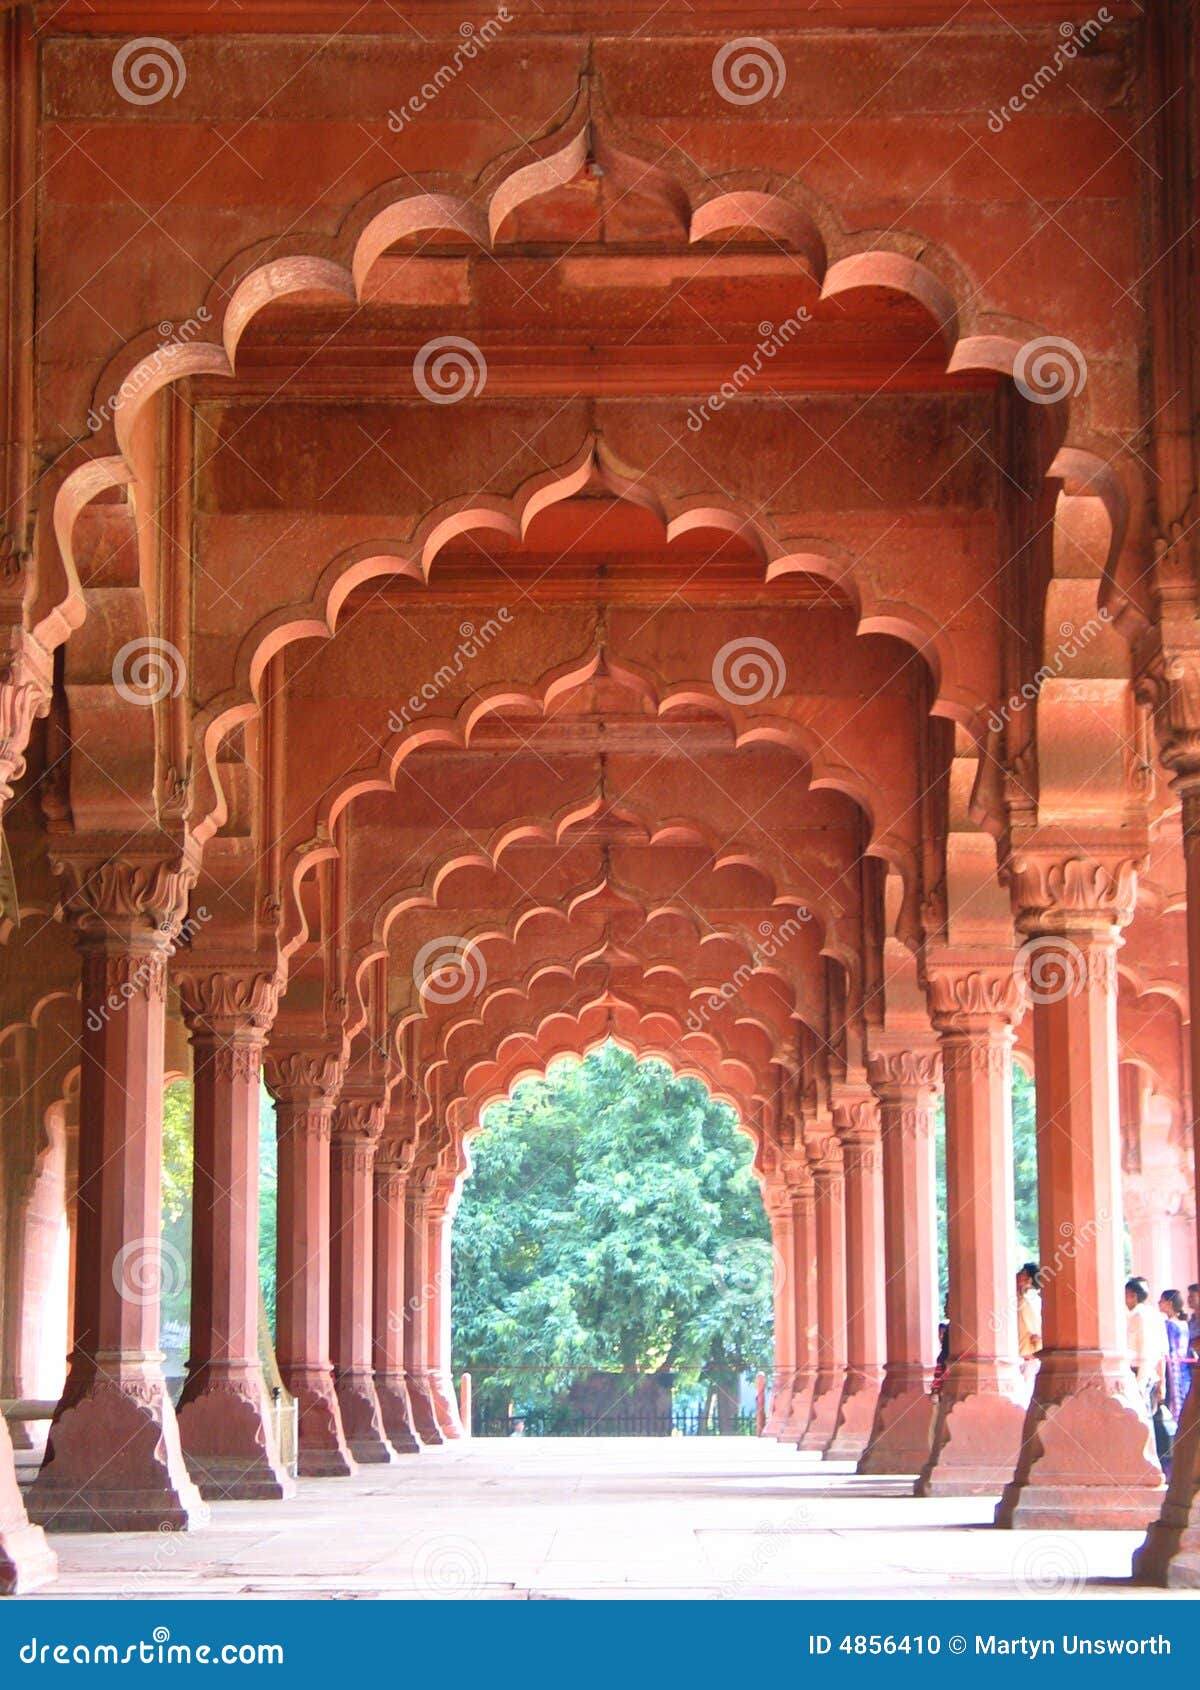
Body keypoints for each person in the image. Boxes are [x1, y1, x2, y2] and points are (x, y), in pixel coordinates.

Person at [1160, 1289, 1191, 1421]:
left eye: (1161, 1301)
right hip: (1184, 1371)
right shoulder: (1184, 1324)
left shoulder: (1169, 1325)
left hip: (1173, 1370)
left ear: (1169, 1303)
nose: (1159, 1304)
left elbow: (1170, 1351)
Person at [1016, 1262, 1042, 1377]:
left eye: (1021, 1273)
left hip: (1027, 1356)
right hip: (1022, 1355)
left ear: (1028, 1280)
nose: (1017, 1275)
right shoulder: (1021, 1299)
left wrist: (1039, 1342)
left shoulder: (1029, 1299)